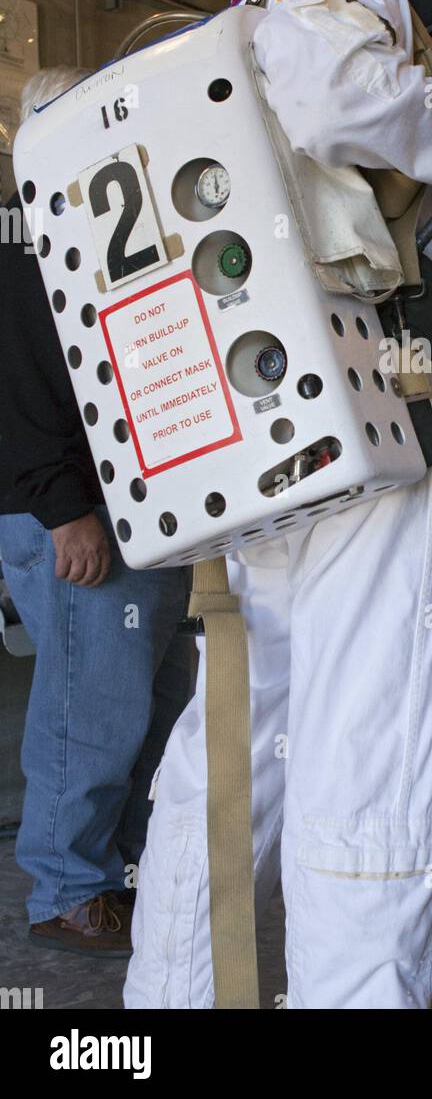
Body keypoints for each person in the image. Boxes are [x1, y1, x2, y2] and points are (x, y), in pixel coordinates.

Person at [125, 0, 432, 1010]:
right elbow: (337, 91)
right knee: (371, 755)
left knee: (232, 742)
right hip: (353, 440)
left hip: (265, 447)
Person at [0, 69, 190, 957]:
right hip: (69, 512)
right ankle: (68, 891)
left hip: (127, 503)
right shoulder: (20, 237)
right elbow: (21, 387)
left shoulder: (87, 225)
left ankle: (119, 872)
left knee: (147, 697)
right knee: (91, 705)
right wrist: (66, 507)